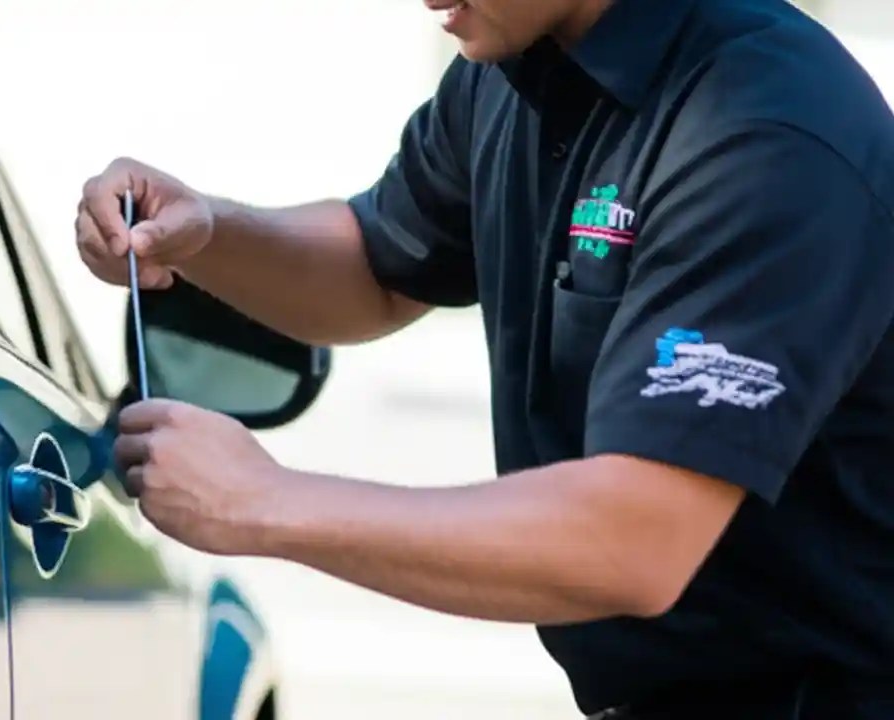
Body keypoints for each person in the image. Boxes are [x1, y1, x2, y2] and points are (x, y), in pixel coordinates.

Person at [74, 0, 894, 717]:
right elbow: (378, 265)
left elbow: (636, 541)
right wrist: (207, 236)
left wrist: (263, 501)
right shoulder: (510, 63)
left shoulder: (764, 127)